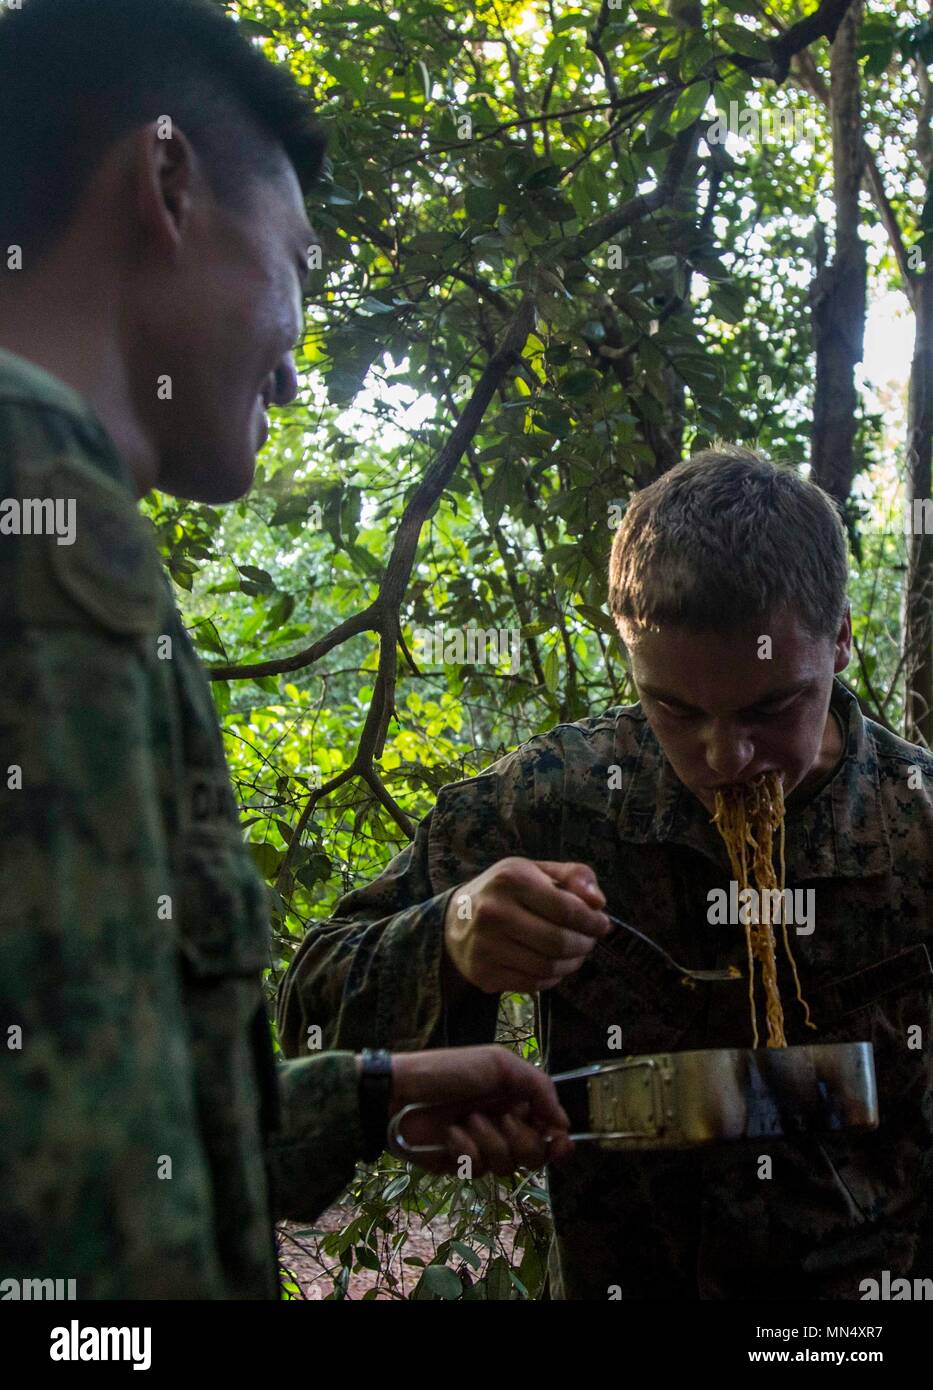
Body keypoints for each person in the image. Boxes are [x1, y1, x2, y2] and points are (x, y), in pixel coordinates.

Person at [0, 0, 572, 1301]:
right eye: (300, 265)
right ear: (166, 180)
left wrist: (368, 1093)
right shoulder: (40, 495)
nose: (300, 367)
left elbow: (90, 1102)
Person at [279, 446, 933, 1299]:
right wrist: (451, 936)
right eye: (676, 708)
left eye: (770, 708)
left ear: (841, 636)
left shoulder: (916, 821)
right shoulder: (559, 799)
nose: (723, 757)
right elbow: (311, 1020)